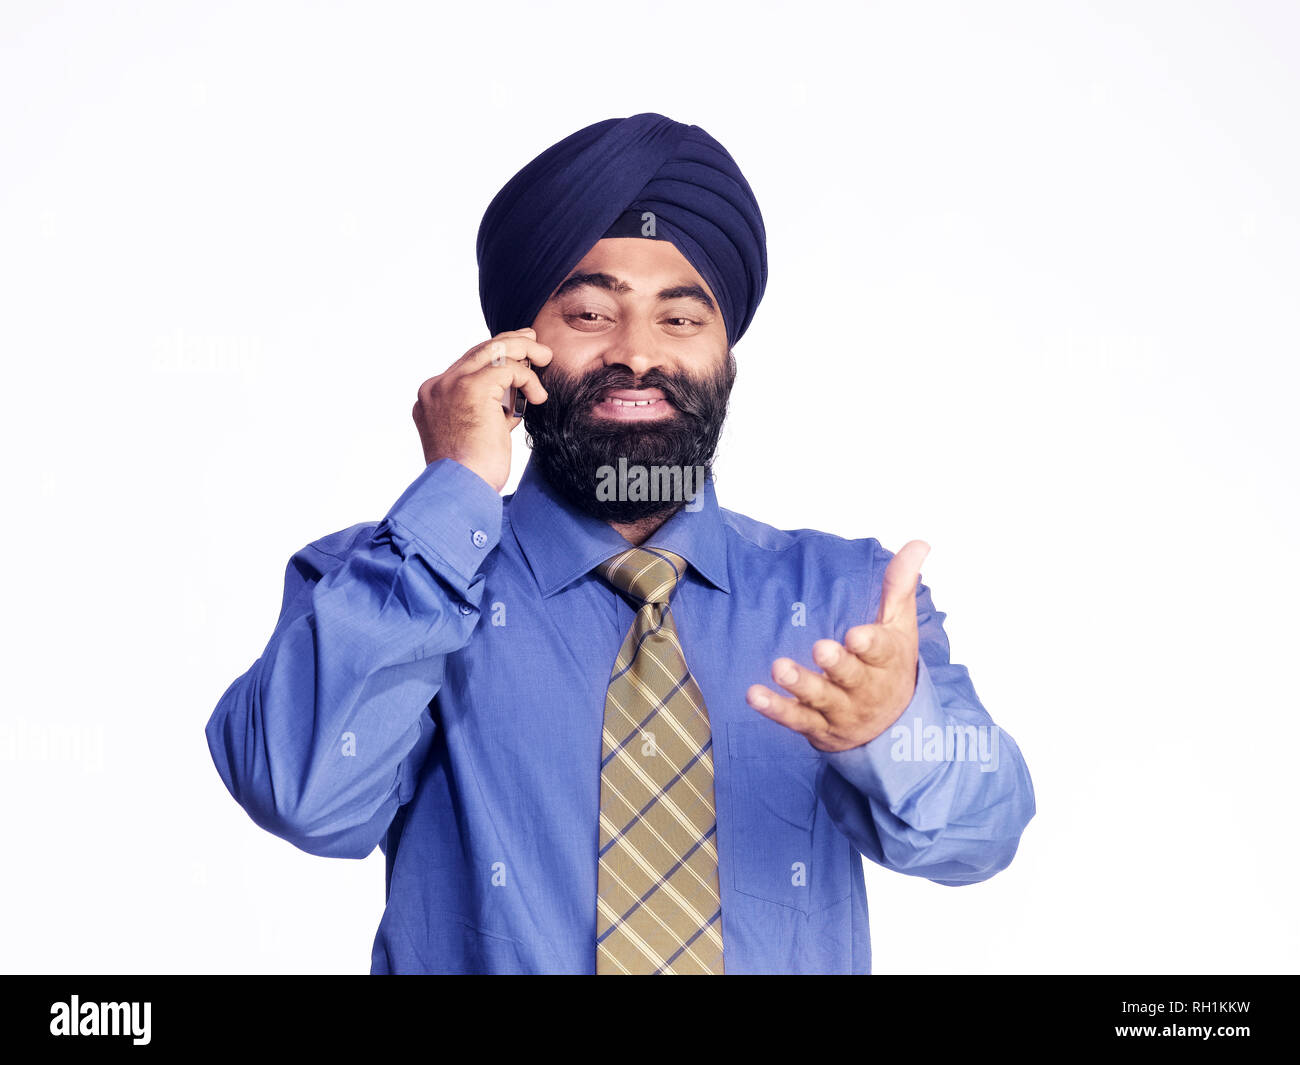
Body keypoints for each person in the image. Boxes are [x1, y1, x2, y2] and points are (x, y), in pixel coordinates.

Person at [205, 113, 1036, 975]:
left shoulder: (850, 599)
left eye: (681, 320)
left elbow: (986, 831)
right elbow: (300, 792)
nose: (637, 354)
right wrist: (452, 491)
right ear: (513, 349)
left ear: (726, 357)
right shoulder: (391, 579)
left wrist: (893, 726)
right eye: (592, 311)